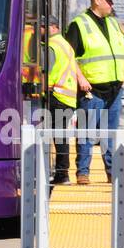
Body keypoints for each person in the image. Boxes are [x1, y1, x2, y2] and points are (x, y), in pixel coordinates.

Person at [65, 0, 124, 184]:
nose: (111, 4)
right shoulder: (79, 24)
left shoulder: (113, 24)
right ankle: (83, 172)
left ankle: (112, 171)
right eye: (109, 0)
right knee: (87, 133)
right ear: (97, 0)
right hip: (91, 90)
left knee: (110, 134)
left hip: (115, 89)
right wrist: (81, 79)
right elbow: (69, 56)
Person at [42, 18, 91, 185]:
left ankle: (62, 174)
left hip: (57, 94)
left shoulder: (52, 45)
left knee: (59, 137)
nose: (40, 30)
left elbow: (50, 70)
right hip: (67, 96)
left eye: (43, 27)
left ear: (53, 27)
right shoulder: (64, 43)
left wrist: (44, 86)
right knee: (61, 136)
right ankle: (63, 173)